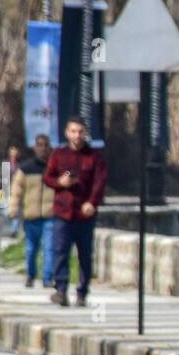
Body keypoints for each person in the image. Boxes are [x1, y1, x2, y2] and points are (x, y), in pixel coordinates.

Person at [44, 116, 107, 307]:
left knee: (85, 254)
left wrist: (92, 202)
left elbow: (99, 182)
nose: (77, 136)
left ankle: (82, 292)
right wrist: (59, 183)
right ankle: (61, 290)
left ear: (85, 133)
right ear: (67, 132)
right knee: (60, 252)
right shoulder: (59, 154)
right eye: (73, 131)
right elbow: (47, 177)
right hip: (63, 212)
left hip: (84, 214)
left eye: (80, 132)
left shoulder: (94, 157)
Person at [9, 135, 56, 288]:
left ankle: (48, 278)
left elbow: (68, 173)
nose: (42, 148)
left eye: (45, 145)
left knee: (49, 248)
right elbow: (16, 190)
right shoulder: (26, 168)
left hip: (50, 215)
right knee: (31, 249)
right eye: (39, 145)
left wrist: (67, 175)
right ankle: (30, 275)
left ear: (50, 147)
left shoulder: (56, 166)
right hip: (31, 215)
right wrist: (14, 208)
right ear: (35, 147)